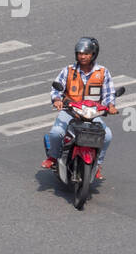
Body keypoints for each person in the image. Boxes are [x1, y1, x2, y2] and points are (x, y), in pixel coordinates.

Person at [41, 37, 119, 181]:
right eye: (80, 53)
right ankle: (53, 157)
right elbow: (56, 88)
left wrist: (111, 106)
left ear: (93, 54)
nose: (82, 56)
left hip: (92, 113)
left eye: (86, 53)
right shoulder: (68, 71)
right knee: (56, 133)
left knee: (107, 135)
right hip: (70, 111)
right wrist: (57, 100)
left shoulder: (102, 72)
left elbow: (108, 94)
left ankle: (98, 165)